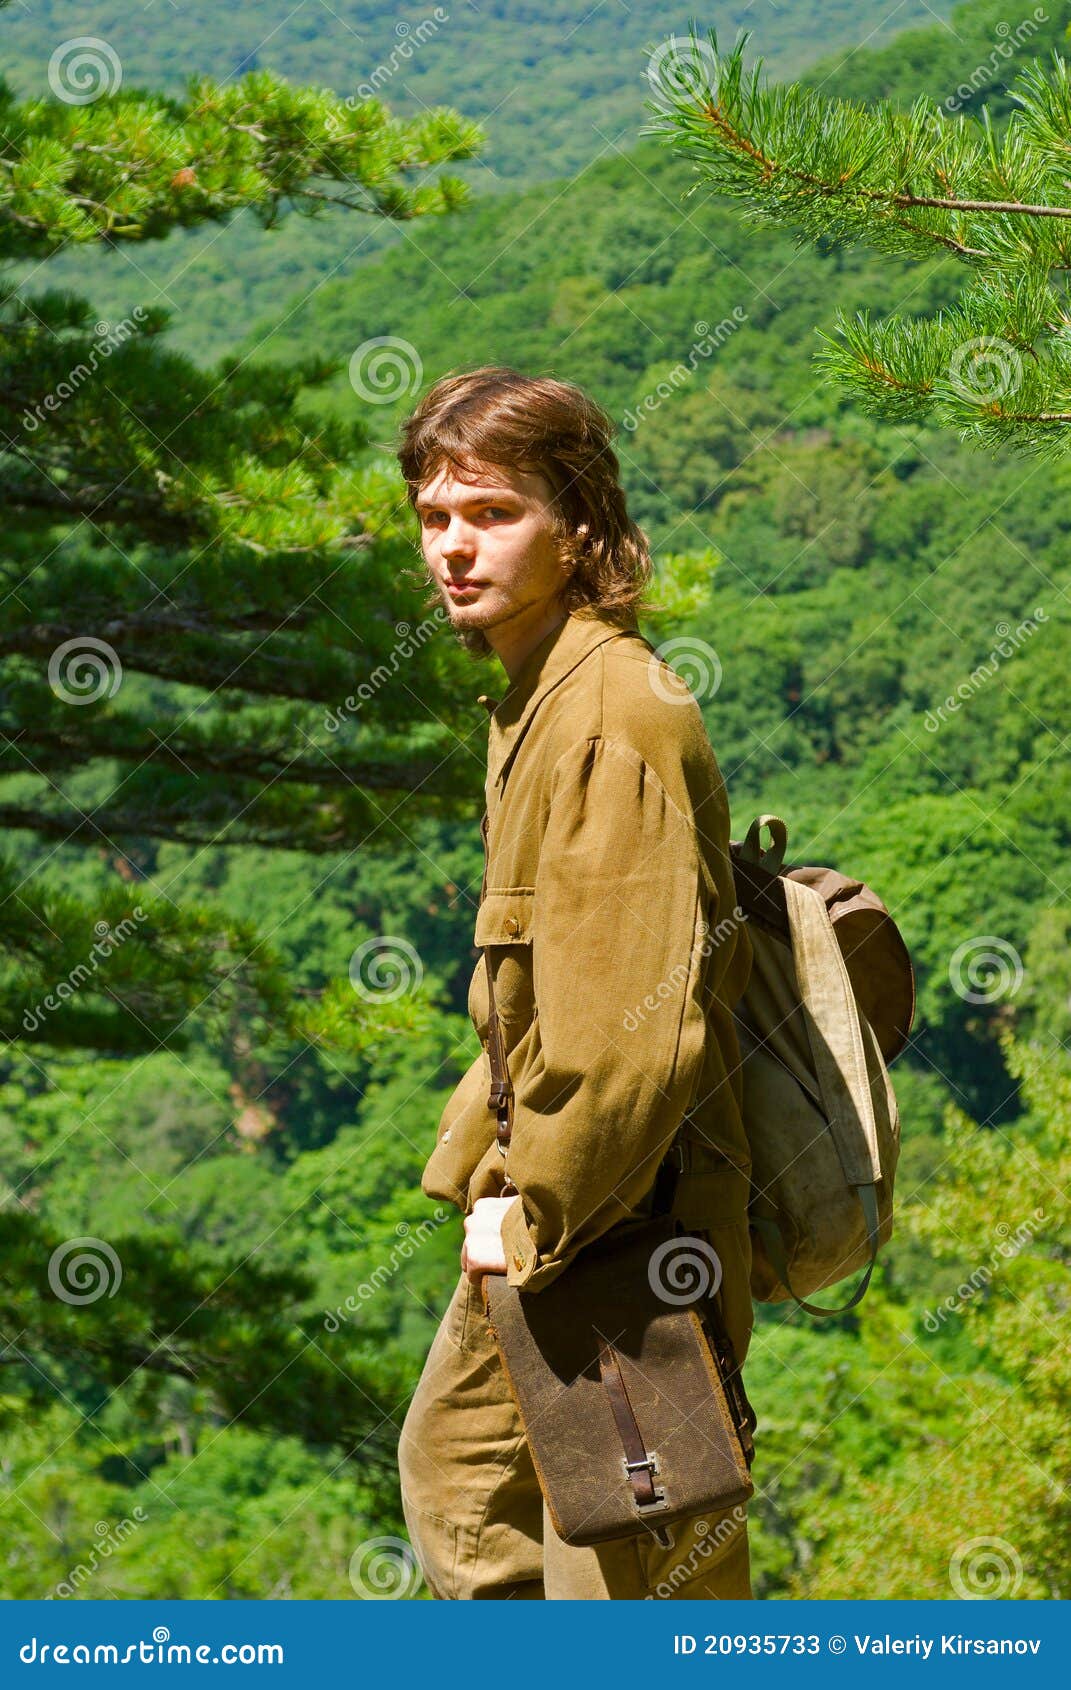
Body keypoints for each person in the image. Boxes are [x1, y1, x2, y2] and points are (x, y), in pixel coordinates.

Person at [395, 366, 755, 1600]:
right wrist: (477, 1183)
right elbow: (530, 1006)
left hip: (624, 1224)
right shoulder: (536, 697)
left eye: (492, 512)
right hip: (548, 1212)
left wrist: (535, 1209)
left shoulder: (609, 714)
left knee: (630, 1566)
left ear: (582, 526)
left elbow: (625, 1040)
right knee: (465, 1488)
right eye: (434, 514)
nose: (453, 545)